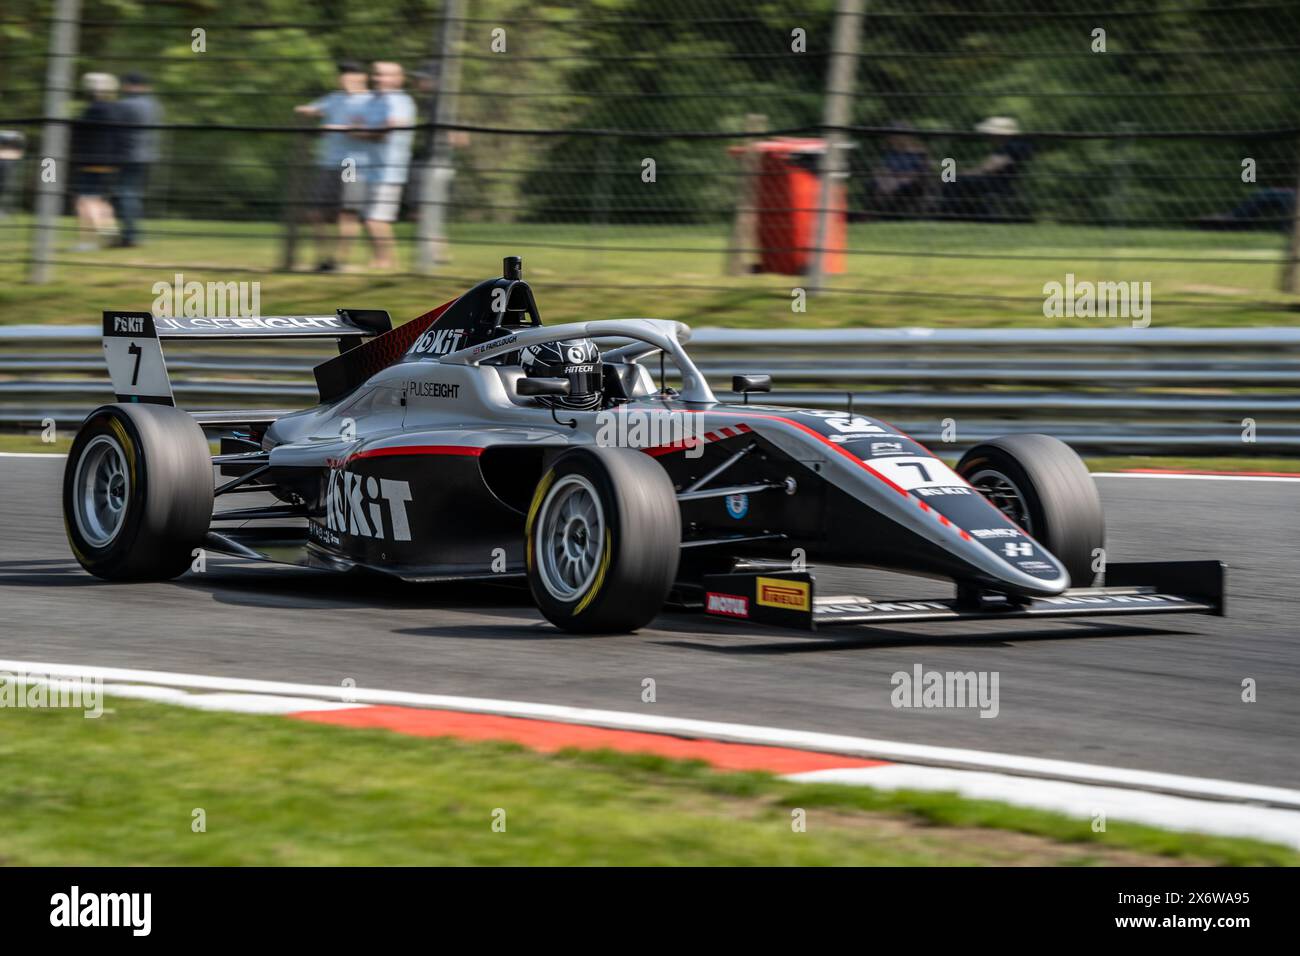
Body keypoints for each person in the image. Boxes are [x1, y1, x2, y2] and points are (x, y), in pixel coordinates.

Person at [295, 60, 373, 271]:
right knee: (316, 212)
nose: (345, 78)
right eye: (343, 74)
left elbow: (366, 129)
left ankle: (340, 260)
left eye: (350, 73)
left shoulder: (369, 101)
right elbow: (311, 109)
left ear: (362, 77)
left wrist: (336, 127)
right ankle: (323, 258)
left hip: (352, 163)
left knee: (346, 213)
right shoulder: (334, 98)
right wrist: (305, 111)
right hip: (327, 162)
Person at [359, 61, 416, 271]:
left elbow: (391, 127)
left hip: (390, 169)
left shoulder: (399, 100)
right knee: (371, 218)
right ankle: (382, 260)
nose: (379, 79)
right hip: (372, 168)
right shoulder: (374, 100)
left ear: (398, 79)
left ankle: (386, 261)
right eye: (377, 75)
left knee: (376, 219)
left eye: (385, 75)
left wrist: (364, 133)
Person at [943, 116, 1035, 221]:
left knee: (954, 181)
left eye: (989, 134)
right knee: (956, 179)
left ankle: (950, 214)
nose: (987, 137)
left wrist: (969, 173)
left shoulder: (1012, 146)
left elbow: (990, 168)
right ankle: (963, 213)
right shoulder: (1014, 145)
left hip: (996, 182)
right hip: (997, 180)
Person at [69, 72, 124, 250]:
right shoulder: (115, 109)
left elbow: (80, 135)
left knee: (85, 201)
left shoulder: (92, 110)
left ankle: (88, 241)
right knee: (100, 200)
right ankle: (110, 231)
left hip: (90, 161)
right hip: (110, 162)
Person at [112, 71, 162, 248]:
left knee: (125, 194)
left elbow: (116, 132)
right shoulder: (154, 105)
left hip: (128, 155)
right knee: (134, 194)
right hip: (147, 154)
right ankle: (133, 233)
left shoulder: (124, 104)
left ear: (130, 85)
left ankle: (129, 235)